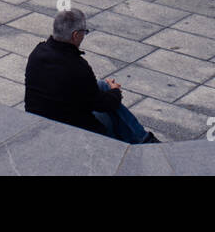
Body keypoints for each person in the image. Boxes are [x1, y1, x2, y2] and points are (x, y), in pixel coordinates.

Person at [24, 9, 158, 144]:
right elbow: (102, 104)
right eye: (84, 32)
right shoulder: (77, 66)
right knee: (113, 109)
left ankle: (141, 137)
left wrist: (109, 91)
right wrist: (116, 91)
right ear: (75, 35)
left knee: (103, 86)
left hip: (39, 118)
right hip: (67, 129)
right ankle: (143, 141)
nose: (84, 36)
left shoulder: (37, 52)